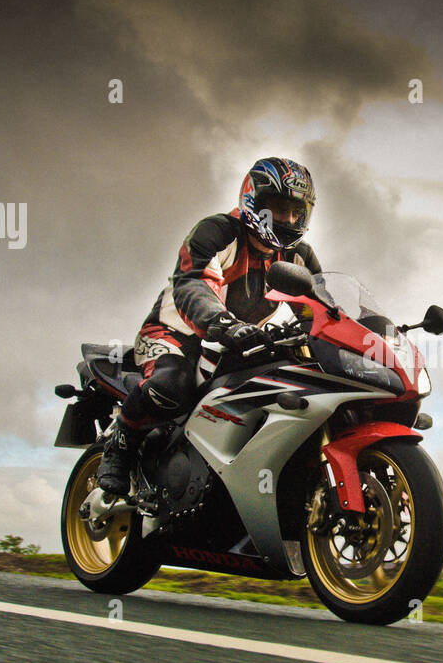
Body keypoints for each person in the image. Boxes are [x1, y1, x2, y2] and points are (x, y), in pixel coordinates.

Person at [96, 157, 322, 496]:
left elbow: (322, 305)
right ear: (253, 201)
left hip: (238, 342)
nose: (288, 219)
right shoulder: (218, 232)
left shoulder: (298, 255)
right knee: (172, 386)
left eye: (296, 211)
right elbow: (194, 283)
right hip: (176, 334)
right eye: (278, 207)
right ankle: (120, 443)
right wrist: (221, 323)